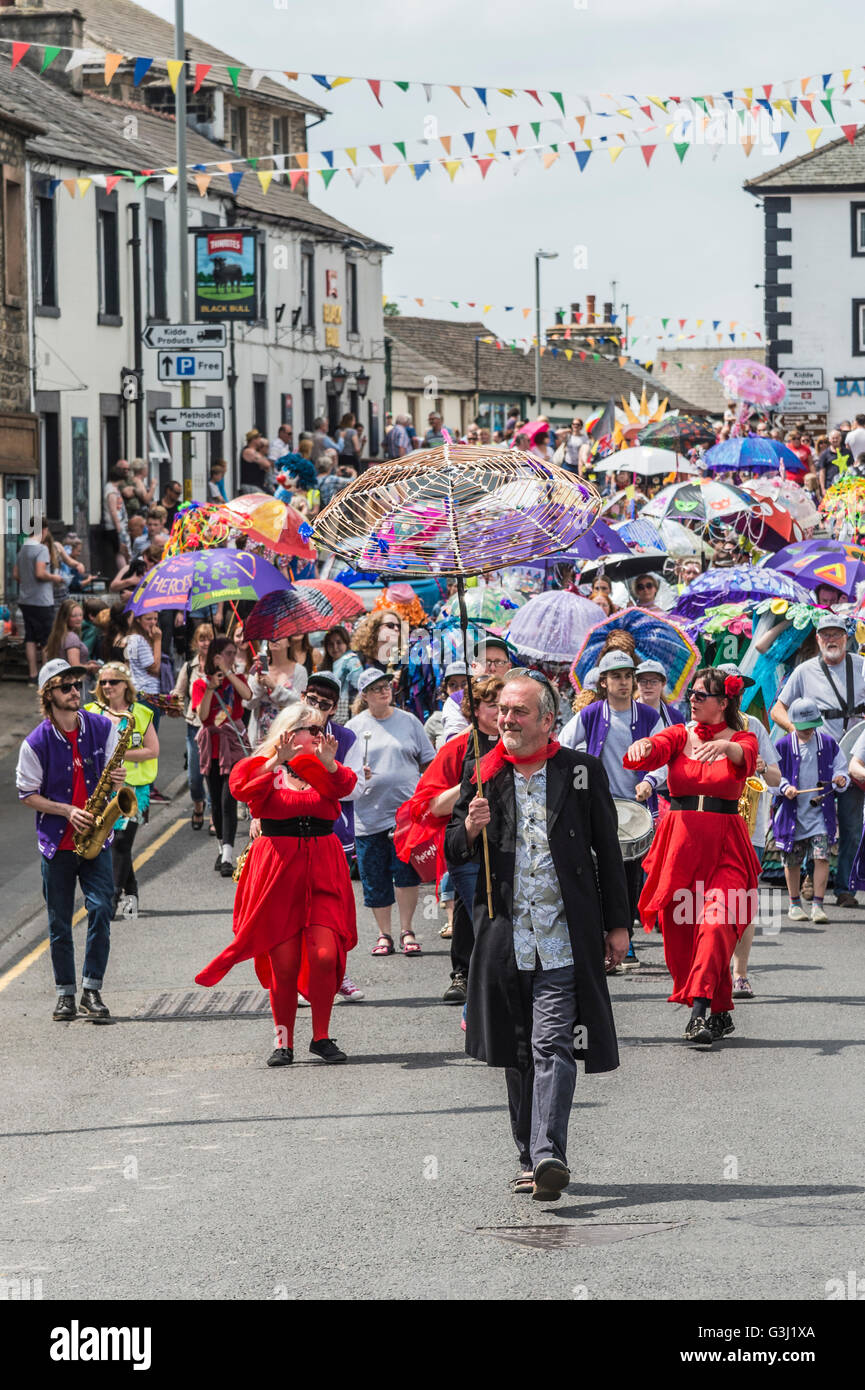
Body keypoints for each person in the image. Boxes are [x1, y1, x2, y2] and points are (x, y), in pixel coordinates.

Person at [445, 670, 629, 1200]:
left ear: (548, 720)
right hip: (506, 937)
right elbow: (454, 848)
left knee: (553, 1042)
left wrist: (618, 925)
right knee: (517, 1049)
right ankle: (528, 1155)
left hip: (564, 935)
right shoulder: (483, 773)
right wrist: (472, 827)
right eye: (502, 710)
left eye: (519, 712)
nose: (506, 719)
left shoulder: (581, 772)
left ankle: (550, 1153)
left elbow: (607, 853)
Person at [194, 703, 358, 1066]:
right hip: (278, 873)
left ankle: (321, 1036)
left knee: (325, 955)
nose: (320, 736)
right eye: (312, 731)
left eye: (321, 730)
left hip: (322, 871)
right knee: (282, 965)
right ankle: (283, 1041)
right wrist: (273, 762)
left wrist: (330, 762)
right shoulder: (260, 766)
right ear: (289, 732)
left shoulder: (324, 767)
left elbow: (346, 786)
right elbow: (242, 790)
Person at [624, 669, 760, 1046]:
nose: (693, 700)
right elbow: (656, 746)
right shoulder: (680, 733)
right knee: (682, 933)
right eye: (692, 695)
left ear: (724, 702)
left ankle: (699, 1012)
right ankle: (719, 1009)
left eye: (702, 695)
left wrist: (726, 747)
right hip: (680, 845)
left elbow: (747, 757)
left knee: (717, 924)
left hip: (726, 845)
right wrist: (646, 747)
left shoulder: (742, 737)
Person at [16, 659, 126, 1021]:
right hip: (58, 842)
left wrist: (119, 780)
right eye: (66, 687)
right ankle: (65, 993)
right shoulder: (35, 742)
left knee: (100, 909)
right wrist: (65, 811)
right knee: (59, 922)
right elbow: (27, 792)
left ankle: (91, 990)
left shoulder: (101, 727)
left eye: (77, 684)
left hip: (96, 838)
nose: (75, 691)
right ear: (49, 695)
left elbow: (114, 778)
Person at [397, 674, 503, 1006]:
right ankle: (466, 974)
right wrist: (472, 781)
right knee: (475, 908)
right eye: (492, 705)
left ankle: (494, 973)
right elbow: (427, 806)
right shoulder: (458, 748)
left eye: (507, 705)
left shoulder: (522, 741)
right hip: (467, 845)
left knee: (496, 911)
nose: (500, 712)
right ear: (474, 709)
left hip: (511, 843)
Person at [560, 651, 665, 965]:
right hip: (597, 807)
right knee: (595, 874)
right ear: (603, 682)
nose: (624, 682)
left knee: (627, 877)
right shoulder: (591, 714)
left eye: (628, 676)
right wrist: (581, 780)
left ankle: (625, 938)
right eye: (616, 676)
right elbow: (563, 748)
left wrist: (651, 780)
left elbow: (665, 757)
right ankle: (598, 939)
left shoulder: (648, 717)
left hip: (634, 810)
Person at [771, 613, 865, 907]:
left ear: (846, 637)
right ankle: (812, 880)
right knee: (812, 825)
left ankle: (845, 887)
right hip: (814, 760)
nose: (831, 640)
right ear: (817, 639)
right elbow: (777, 710)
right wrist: (797, 732)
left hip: (851, 756)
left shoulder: (862, 667)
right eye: (826, 635)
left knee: (851, 825)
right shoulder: (804, 671)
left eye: (836, 634)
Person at [347, 668, 435, 956]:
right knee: (374, 877)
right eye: (375, 688)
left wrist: (424, 796)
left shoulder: (409, 721)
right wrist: (359, 774)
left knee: (406, 873)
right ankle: (384, 934)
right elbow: (346, 772)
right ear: (365, 695)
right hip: (369, 814)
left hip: (406, 816)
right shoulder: (355, 727)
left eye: (386, 686)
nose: (383, 691)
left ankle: (407, 929)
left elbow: (428, 762)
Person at [85, 662, 159, 920]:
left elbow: (153, 750)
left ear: (126, 685)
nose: (107, 687)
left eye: (113, 682)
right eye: (103, 682)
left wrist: (119, 754)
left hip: (134, 790)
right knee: (115, 844)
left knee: (121, 843)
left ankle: (113, 898)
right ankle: (132, 896)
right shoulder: (90, 712)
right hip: (103, 790)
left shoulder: (141, 712)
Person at [772, 698, 848, 926]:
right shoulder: (783, 745)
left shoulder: (828, 743)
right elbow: (772, 776)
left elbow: (841, 769)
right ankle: (794, 904)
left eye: (812, 726)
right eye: (803, 727)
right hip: (792, 814)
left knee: (822, 857)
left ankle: (818, 904)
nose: (808, 731)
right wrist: (784, 787)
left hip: (820, 814)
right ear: (793, 723)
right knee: (792, 860)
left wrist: (840, 779)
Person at [192, 634, 253, 877]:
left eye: (233, 653)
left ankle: (228, 855)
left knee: (229, 799)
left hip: (233, 745)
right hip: (212, 745)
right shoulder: (200, 684)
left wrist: (227, 673)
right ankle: (221, 847)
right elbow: (203, 716)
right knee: (215, 801)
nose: (232, 656)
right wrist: (210, 688)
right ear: (215, 656)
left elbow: (247, 697)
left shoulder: (236, 678)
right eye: (227, 653)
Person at [171, 623, 214, 831]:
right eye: (202, 639)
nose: (206, 643)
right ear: (196, 643)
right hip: (194, 727)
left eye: (210, 638)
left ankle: (215, 814)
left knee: (215, 774)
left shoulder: (222, 666)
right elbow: (178, 693)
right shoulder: (189, 667)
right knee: (195, 777)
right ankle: (199, 804)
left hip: (216, 728)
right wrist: (174, 702)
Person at [14, 521, 64, 683]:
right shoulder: (41, 549)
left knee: (30, 638)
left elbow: (16, 574)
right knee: (46, 640)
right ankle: (47, 677)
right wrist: (55, 577)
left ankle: (32, 675)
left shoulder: (23, 549)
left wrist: (27, 583)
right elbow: (40, 573)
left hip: (25, 599)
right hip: (42, 601)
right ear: (43, 529)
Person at [245, 637, 306, 747]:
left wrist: (274, 687)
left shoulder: (300, 671)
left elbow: (300, 705)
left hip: (287, 738)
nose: (274, 639)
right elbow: (248, 704)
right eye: (271, 637)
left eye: (280, 637)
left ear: (289, 642)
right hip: (260, 739)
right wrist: (259, 684)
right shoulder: (258, 668)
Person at [635, 659, 685, 727]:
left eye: (654, 681)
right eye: (643, 681)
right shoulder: (626, 714)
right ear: (636, 683)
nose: (648, 686)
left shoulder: (676, 717)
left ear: (663, 683)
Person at [102, 463, 131, 573]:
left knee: (122, 551)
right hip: (116, 527)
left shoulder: (113, 489)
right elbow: (113, 510)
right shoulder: (111, 491)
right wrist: (118, 527)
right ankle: (124, 573)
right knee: (121, 551)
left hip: (120, 525)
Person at [817, 430, 850, 494]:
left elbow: (851, 467)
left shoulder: (847, 452)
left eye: (837, 438)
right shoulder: (824, 454)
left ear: (840, 439)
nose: (835, 440)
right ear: (829, 439)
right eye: (833, 438)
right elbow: (822, 472)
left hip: (845, 486)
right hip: (830, 487)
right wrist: (823, 488)